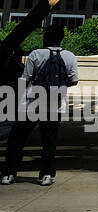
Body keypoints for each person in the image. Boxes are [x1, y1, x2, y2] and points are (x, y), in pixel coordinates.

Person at [1, 24, 79, 186]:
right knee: (49, 141)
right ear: (61, 38)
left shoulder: (36, 54)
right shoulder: (70, 56)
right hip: (54, 106)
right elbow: (73, 81)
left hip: (30, 105)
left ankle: (9, 173)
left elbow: (24, 79)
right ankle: (46, 174)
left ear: (45, 37)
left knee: (16, 140)